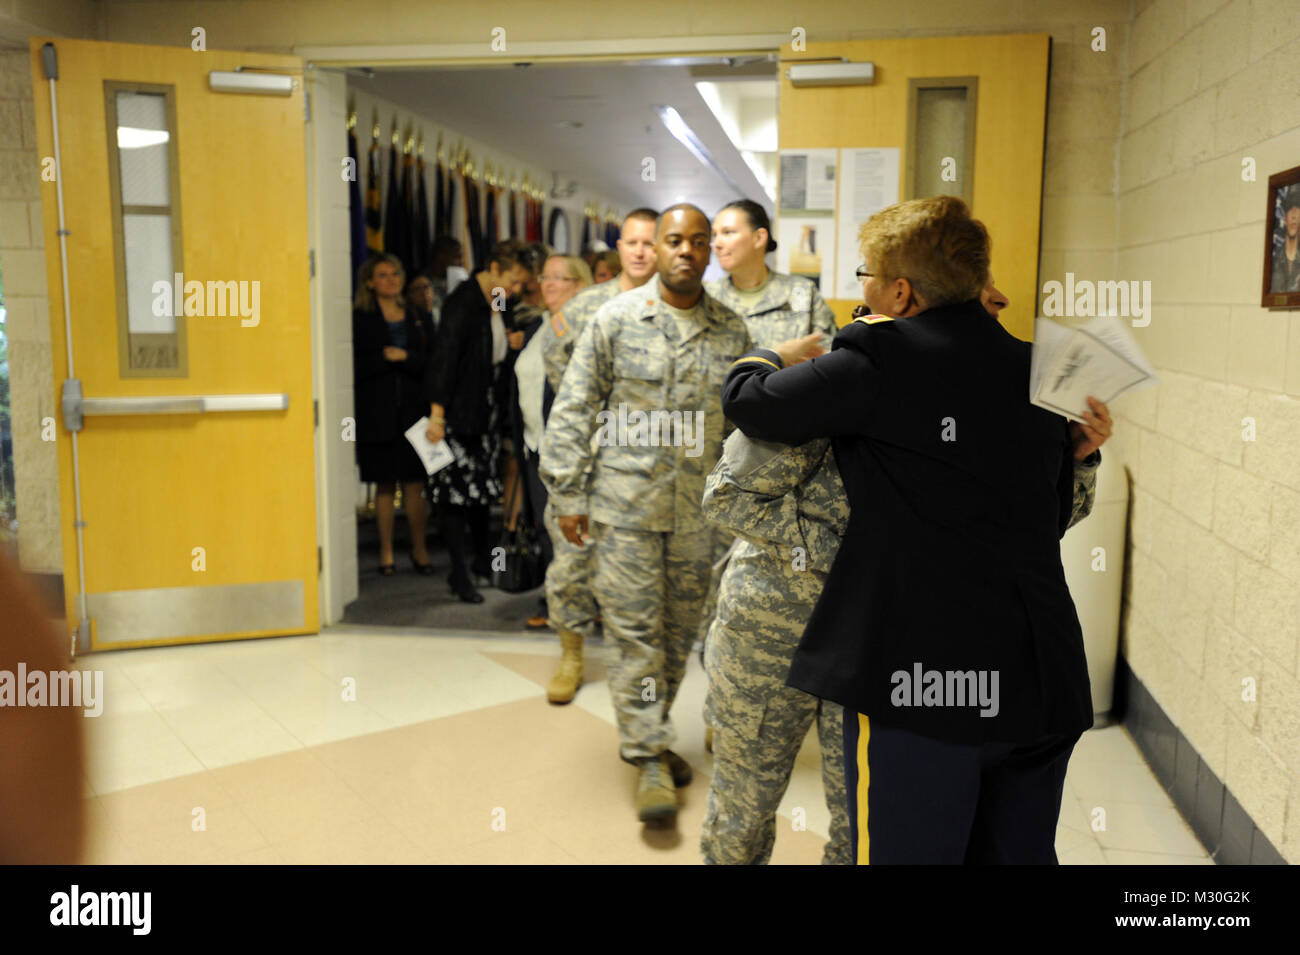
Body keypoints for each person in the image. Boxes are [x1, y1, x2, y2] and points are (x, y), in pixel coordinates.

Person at [721, 195, 1112, 864]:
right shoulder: (1046, 372)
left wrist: (762, 353)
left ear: (899, 292)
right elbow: (1047, 520)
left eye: (866, 277)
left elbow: (748, 403)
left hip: (923, 684)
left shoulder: (873, 363)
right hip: (1043, 677)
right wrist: (1083, 452)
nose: (860, 293)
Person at [540, 204, 750, 824]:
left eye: (698, 241)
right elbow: (575, 409)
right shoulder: (615, 319)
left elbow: (742, 430)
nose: (686, 251)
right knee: (633, 636)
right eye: (674, 240)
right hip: (622, 509)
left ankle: (652, 733)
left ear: (710, 251)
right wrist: (568, 495)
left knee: (678, 638)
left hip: (697, 519)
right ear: (654, 249)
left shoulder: (732, 332)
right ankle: (647, 756)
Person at [698, 198, 840, 750]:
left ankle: (774, 702)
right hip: (714, 469)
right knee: (715, 595)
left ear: (760, 237)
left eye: (728, 231)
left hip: (775, 475)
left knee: (759, 590)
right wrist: (777, 359)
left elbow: (822, 374)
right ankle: (723, 707)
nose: (717, 242)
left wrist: (767, 366)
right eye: (714, 233)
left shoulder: (800, 296)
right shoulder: (707, 299)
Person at [538, 207, 658, 704]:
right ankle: (570, 654)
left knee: (640, 567)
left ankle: (640, 665)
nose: (639, 251)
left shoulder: (678, 305)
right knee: (571, 561)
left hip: (648, 462)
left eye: (650, 243)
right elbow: (554, 358)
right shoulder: (587, 306)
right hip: (589, 457)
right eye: (631, 242)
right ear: (619, 245)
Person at [425, 238, 535, 603]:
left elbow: (493, 350)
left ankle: (480, 564)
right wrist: (436, 417)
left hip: (484, 413)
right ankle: (459, 572)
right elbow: (444, 361)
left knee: (479, 495)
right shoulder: (462, 304)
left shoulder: (497, 303)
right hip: (456, 415)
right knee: (455, 495)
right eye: (514, 281)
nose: (518, 290)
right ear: (493, 269)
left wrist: (511, 343)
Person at [511, 254, 592, 629]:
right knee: (546, 525)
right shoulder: (537, 327)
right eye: (545, 277)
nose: (549, 285)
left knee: (577, 527)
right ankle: (555, 600)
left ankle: (585, 604)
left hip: (576, 450)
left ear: (580, 285)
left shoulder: (589, 327)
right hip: (534, 445)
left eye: (560, 278)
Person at [352, 254, 437, 575]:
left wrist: (406, 357)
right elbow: (351, 366)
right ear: (370, 282)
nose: (391, 280)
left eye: (395, 274)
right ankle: (386, 553)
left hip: (416, 410)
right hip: (377, 411)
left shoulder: (419, 315)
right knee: (384, 485)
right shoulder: (360, 318)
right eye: (383, 275)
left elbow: (434, 362)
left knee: (415, 484)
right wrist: (384, 359)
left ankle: (420, 550)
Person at [1271, 189, 1300, 293]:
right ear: (1285, 219)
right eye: (1289, 209)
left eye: (1298, 208)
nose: (1293, 215)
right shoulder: (1274, 260)